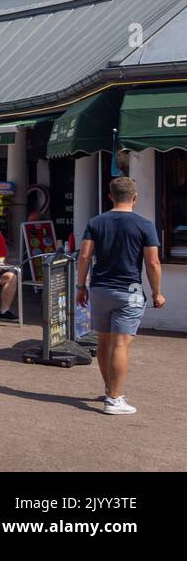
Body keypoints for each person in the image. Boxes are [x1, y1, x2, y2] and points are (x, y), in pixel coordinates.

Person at [77, 176, 166, 415]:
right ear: (135, 197)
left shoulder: (96, 222)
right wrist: (157, 292)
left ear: (110, 196)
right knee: (121, 344)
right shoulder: (144, 224)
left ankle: (110, 390)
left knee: (104, 342)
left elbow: (84, 256)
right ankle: (114, 399)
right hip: (129, 291)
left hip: (100, 288)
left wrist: (80, 286)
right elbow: (153, 262)